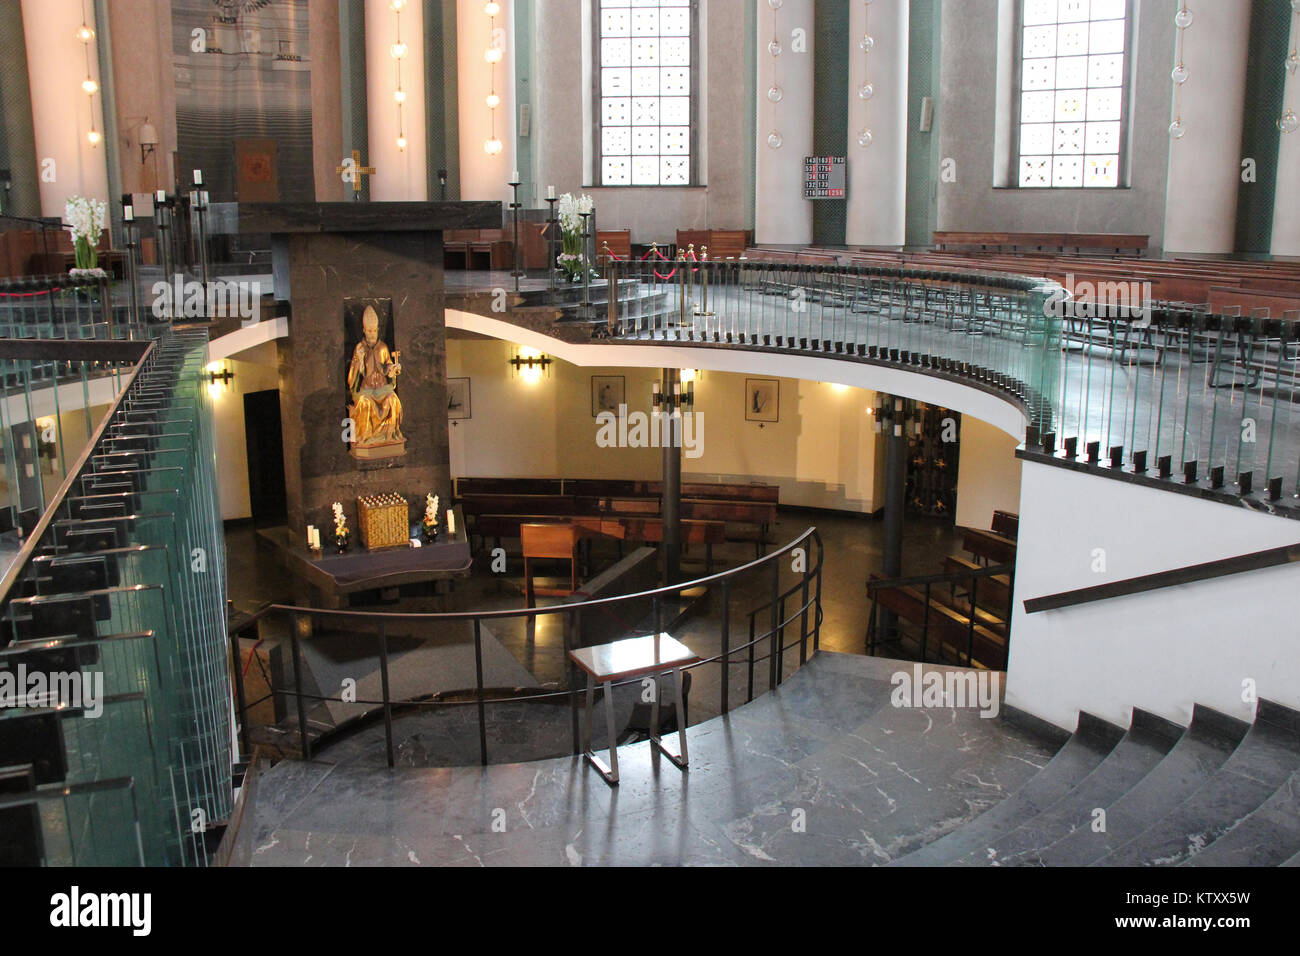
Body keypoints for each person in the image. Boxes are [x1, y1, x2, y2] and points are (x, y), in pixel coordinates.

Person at [348, 306, 404, 447]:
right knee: (364, 403)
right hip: (367, 389)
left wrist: (393, 370)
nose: (372, 334)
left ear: (378, 330)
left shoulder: (383, 347)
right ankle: (366, 438)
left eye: (374, 331)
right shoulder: (359, 348)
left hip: (382, 388)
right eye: (369, 331)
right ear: (364, 330)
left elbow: (388, 367)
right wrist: (359, 361)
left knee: (393, 401)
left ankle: (389, 435)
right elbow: (352, 376)